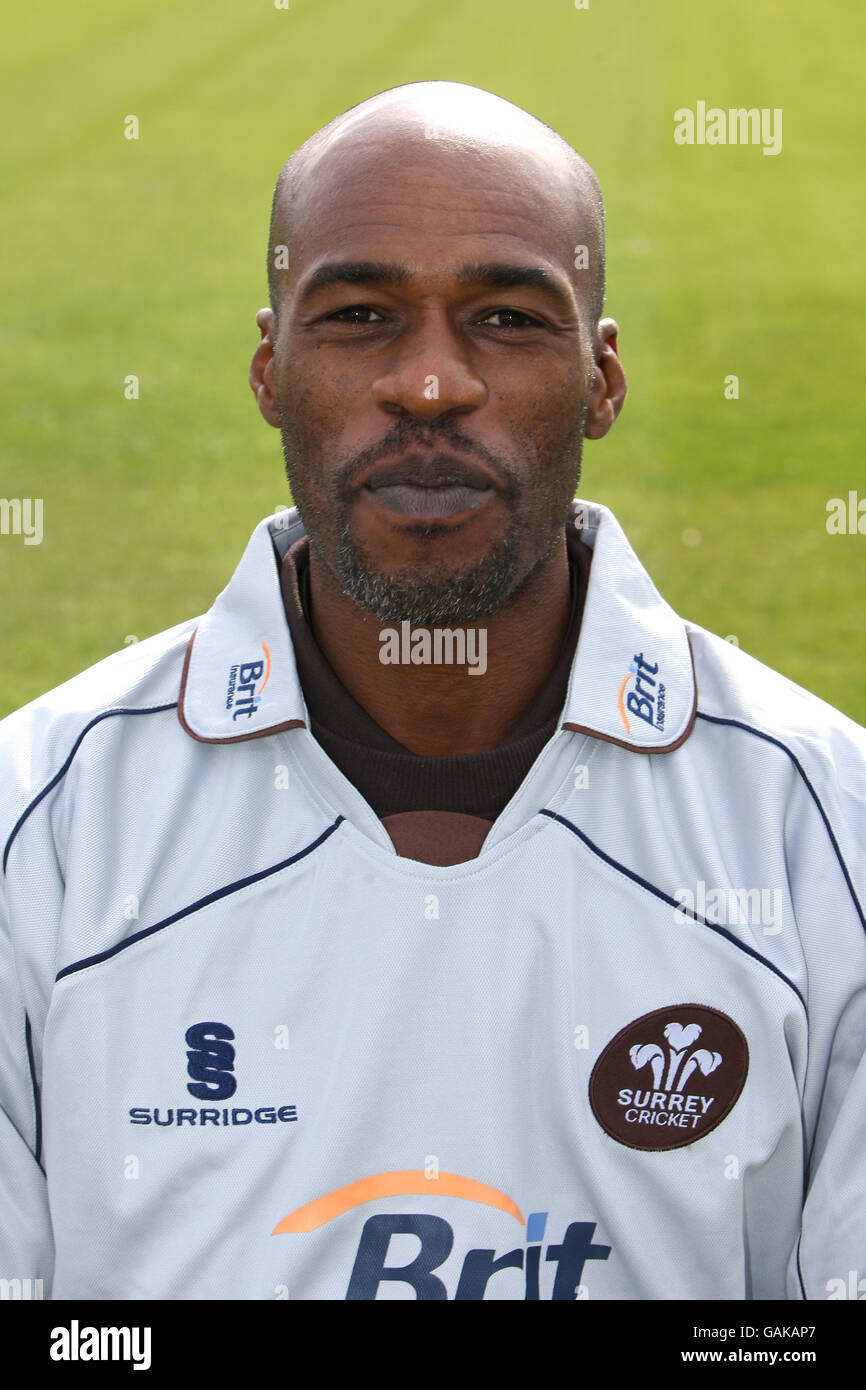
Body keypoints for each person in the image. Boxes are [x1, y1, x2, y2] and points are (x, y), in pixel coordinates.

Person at [1, 81, 864, 1302]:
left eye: (505, 319)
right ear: (268, 369)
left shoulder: (823, 827)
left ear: (601, 381)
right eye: (358, 315)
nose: (426, 386)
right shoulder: (39, 828)